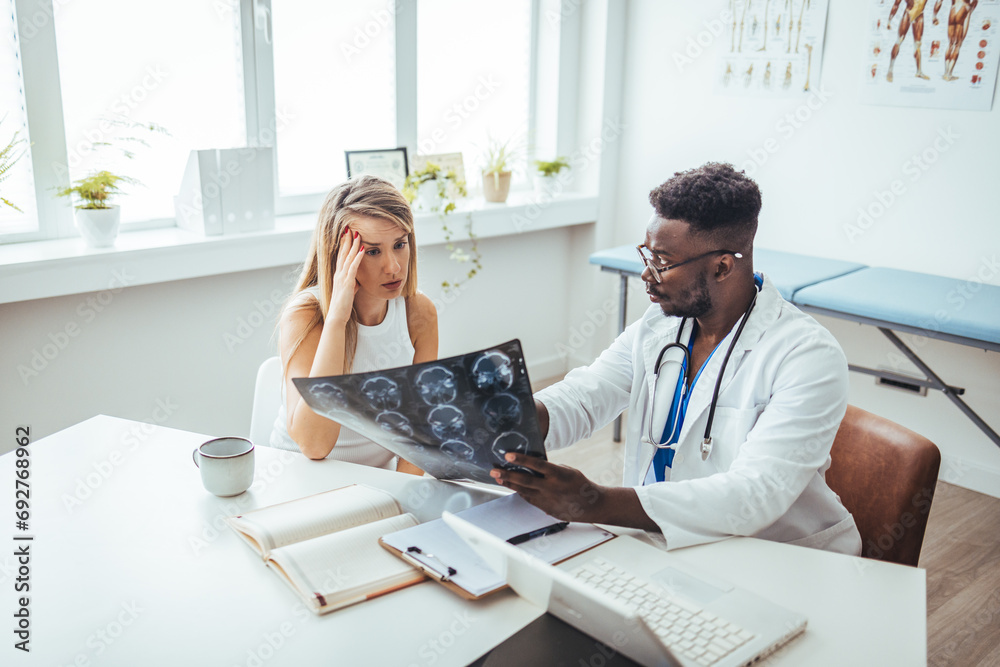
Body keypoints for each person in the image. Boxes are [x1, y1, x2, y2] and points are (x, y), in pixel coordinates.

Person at [491, 162, 862, 555]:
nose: (646, 275)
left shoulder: (807, 356)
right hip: (668, 541)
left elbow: (755, 495)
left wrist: (594, 502)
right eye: (647, 256)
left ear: (722, 266)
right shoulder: (661, 327)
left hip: (780, 557)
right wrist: (517, 414)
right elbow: (587, 395)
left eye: (663, 262)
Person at [270, 175, 437, 474]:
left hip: (376, 480)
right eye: (372, 251)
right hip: (301, 475)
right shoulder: (305, 316)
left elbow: (418, 436)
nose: (394, 266)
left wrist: (400, 502)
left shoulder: (419, 313)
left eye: (400, 244)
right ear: (339, 255)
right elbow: (315, 445)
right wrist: (336, 319)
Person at [887, 0, 931, 82]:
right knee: (899, 40)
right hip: (908, 13)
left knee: (918, 44)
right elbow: (896, 4)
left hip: (920, 15)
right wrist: (889, 20)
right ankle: (890, 70)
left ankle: (919, 71)